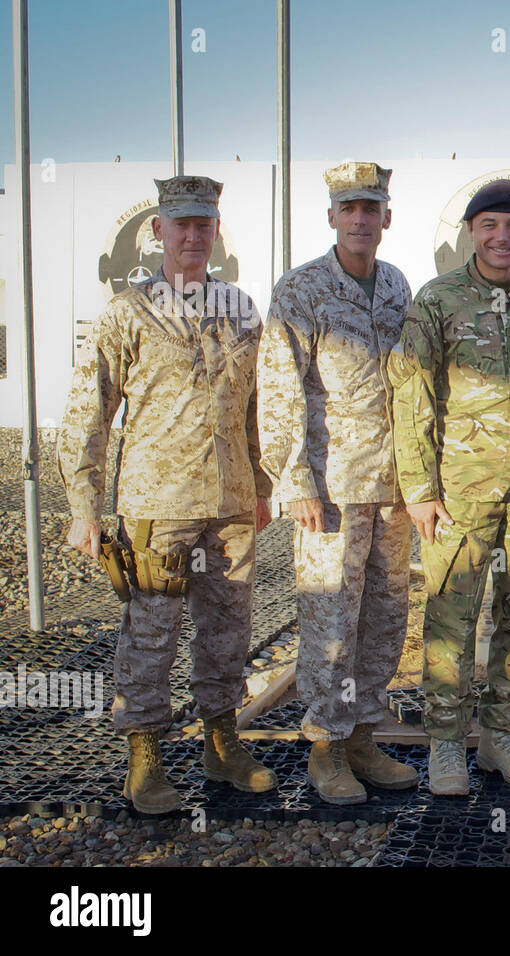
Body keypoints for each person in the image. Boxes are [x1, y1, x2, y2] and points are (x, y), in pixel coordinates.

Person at [59, 175, 276, 813]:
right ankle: (145, 757)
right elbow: (88, 413)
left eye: (202, 224)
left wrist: (262, 484)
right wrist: (83, 506)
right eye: (179, 224)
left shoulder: (240, 309)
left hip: (231, 503)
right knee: (151, 634)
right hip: (157, 505)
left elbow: (257, 407)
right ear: (157, 231)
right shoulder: (128, 314)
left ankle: (221, 743)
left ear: (215, 232)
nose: (191, 235)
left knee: (228, 632)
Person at [389, 179, 510, 795]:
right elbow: (412, 394)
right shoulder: (437, 300)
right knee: (450, 619)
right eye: (489, 225)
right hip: (459, 490)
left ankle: (501, 735)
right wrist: (419, 487)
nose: (501, 237)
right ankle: (445, 744)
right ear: (471, 232)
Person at [258, 161, 417, 805]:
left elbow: (410, 382)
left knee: (384, 615)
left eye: (370, 207)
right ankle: (325, 744)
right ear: (331, 217)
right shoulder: (301, 289)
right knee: (329, 616)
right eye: (348, 208)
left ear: (386, 217)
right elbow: (279, 383)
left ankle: (361, 734)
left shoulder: (397, 285)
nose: (359, 218)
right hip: (328, 488)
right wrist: (291, 474)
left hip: (393, 485)